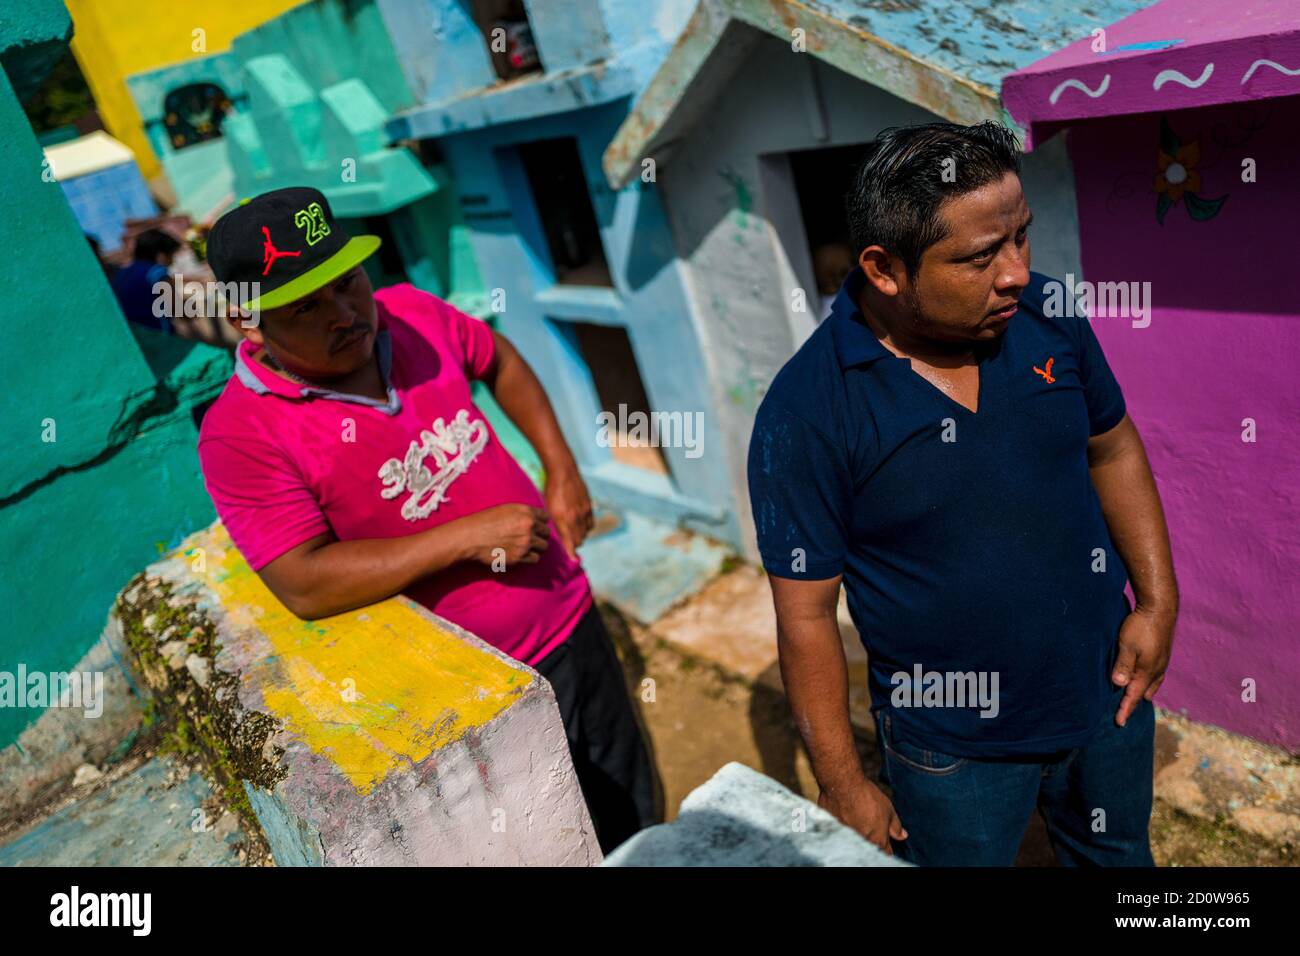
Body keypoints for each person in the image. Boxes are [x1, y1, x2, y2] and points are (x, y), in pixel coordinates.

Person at [747, 122, 1178, 866]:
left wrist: (1158, 601)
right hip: (952, 750)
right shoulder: (808, 412)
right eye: (981, 256)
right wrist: (844, 781)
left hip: (1107, 694)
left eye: (1021, 237)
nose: (1016, 272)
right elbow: (808, 615)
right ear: (885, 269)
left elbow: (1111, 447)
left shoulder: (1049, 317)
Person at [197, 186, 656, 852]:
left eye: (349, 283)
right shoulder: (241, 436)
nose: (347, 313)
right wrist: (465, 539)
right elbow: (304, 582)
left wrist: (563, 470)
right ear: (249, 321)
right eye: (307, 306)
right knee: (549, 843)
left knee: (633, 807)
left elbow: (498, 359)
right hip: (475, 700)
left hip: (571, 613)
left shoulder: (408, 313)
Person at [110, 228, 180, 333]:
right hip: (159, 335)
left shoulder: (122, 273)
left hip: (136, 334)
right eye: (171, 255)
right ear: (160, 255)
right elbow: (177, 309)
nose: (172, 261)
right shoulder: (157, 272)